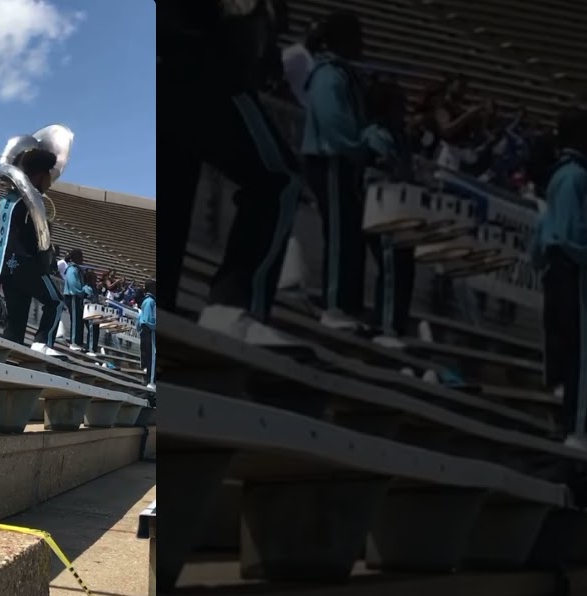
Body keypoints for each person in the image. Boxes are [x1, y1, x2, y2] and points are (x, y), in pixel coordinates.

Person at [163, 0, 304, 346]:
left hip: (159, 54)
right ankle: (232, 306)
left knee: (172, 181)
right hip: (203, 63)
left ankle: (157, 301)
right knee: (278, 178)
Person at [301, 10, 370, 331]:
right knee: (340, 234)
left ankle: (347, 303)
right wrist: (358, 146)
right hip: (331, 160)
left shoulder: (342, 74)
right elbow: (334, 122)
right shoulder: (329, 74)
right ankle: (334, 305)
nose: (362, 44)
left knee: (349, 233)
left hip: (342, 161)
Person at [534, 105, 587, 451]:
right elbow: (572, 234)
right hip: (573, 268)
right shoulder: (574, 176)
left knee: (572, 346)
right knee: (582, 350)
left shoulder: (566, 176)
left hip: (563, 266)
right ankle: (580, 426)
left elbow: (545, 226)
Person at [0, 149, 63, 355]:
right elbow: (38, 241)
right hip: (25, 264)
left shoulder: (3, 201)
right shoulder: (30, 201)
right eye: (49, 175)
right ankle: (42, 342)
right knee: (55, 301)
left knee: (16, 320)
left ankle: (8, 360)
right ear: (40, 174)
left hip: (4, 267)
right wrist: (46, 260)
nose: (50, 180)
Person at [361, 76, 417, 348]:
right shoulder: (375, 135)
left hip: (402, 210)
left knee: (405, 267)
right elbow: (382, 171)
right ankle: (385, 326)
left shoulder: (400, 137)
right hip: (383, 209)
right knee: (391, 267)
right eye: (399, 106)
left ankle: (397, 323)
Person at [61, 250, 93, 351]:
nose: (82, 259)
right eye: (81, 257)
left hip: (77, 297)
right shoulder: (72, 270)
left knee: (79, 319)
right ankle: (74, 342)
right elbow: (74, 285)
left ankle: (78, 342)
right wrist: (82, 291)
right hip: (73, 296)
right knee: (75, 320)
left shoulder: (77, 269)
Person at [139, 280, 157, 391]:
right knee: (152, 357)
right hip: (149, 331)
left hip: (147, 331)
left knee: (150, 356)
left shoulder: (148, 301)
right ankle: (151, 381)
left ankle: (150, 379)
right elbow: (148, 320)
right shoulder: (150, 301)